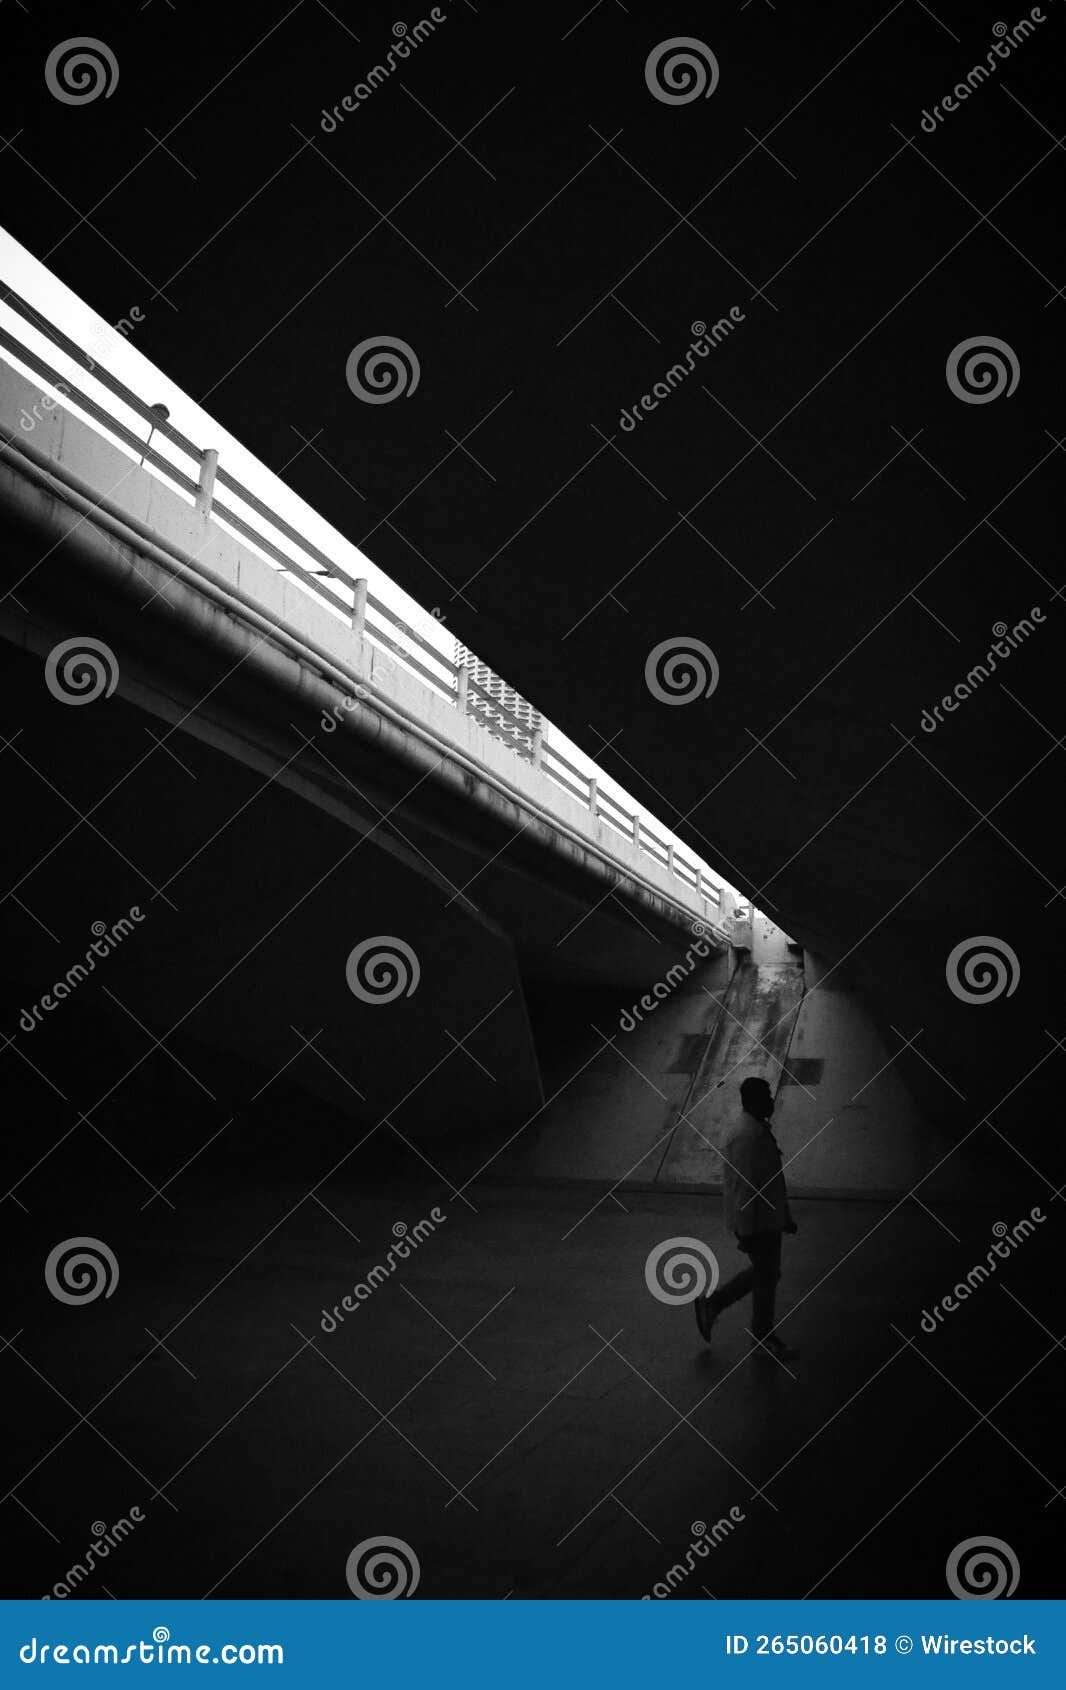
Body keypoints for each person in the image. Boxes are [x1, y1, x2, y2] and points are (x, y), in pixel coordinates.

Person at [695, 1075, 799, 1361]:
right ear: (753, 1101)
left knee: (767, 1274)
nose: (771, 1102)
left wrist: (782, 1217)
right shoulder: (748, 1136)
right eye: (766, 1097)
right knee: (767, 1275)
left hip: (764, 1222)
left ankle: (722, 1310)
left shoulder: (753, 1131)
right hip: (758, 1225)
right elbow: (745, 1188)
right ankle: (758, 1335)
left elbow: (767, 1182)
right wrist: (748, 1231)